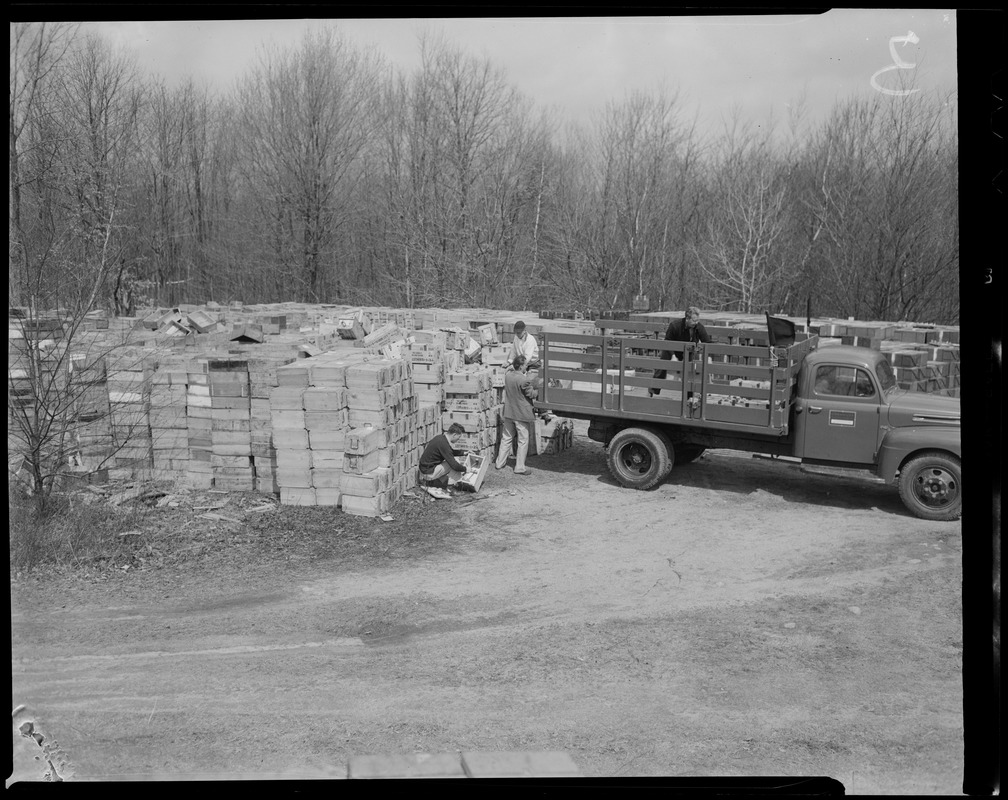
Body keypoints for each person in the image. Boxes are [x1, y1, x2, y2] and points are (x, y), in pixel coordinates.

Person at [650, 306, 712, 396]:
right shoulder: (675, 325)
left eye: (698, 320)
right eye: (694, 321)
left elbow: (707, 342)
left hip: (689, 351)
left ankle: (689, 397)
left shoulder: (699, 327)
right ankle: (653, 390)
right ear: (687, 318)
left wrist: (708, 356)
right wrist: (673, 356)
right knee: (661, 368)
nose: (696, 322)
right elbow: (667, 342)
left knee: (690, 372)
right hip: (672, 350)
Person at [495, 355, 538, 475]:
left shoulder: (508, 376)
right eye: (525, 365)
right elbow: (531, 394)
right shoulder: (523, 380)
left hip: (509, 412)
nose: (526, 367)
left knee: (506, 438)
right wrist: (539, 390)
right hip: (521, 414)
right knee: (523, 440)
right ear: (521, 366)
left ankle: (499, 463)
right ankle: (519, 467)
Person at [419, 422, 469, 499]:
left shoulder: (440, 438)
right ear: (454, 435)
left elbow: (449, 452)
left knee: (453, 461)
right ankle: (451, 489)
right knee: (454, 463)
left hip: (425, 469)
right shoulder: (443, 444)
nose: (458, 440)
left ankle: (434, 482)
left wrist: (463, 453)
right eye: (458, 438)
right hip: (428, 473)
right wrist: (466, 469)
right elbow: (454, 466)